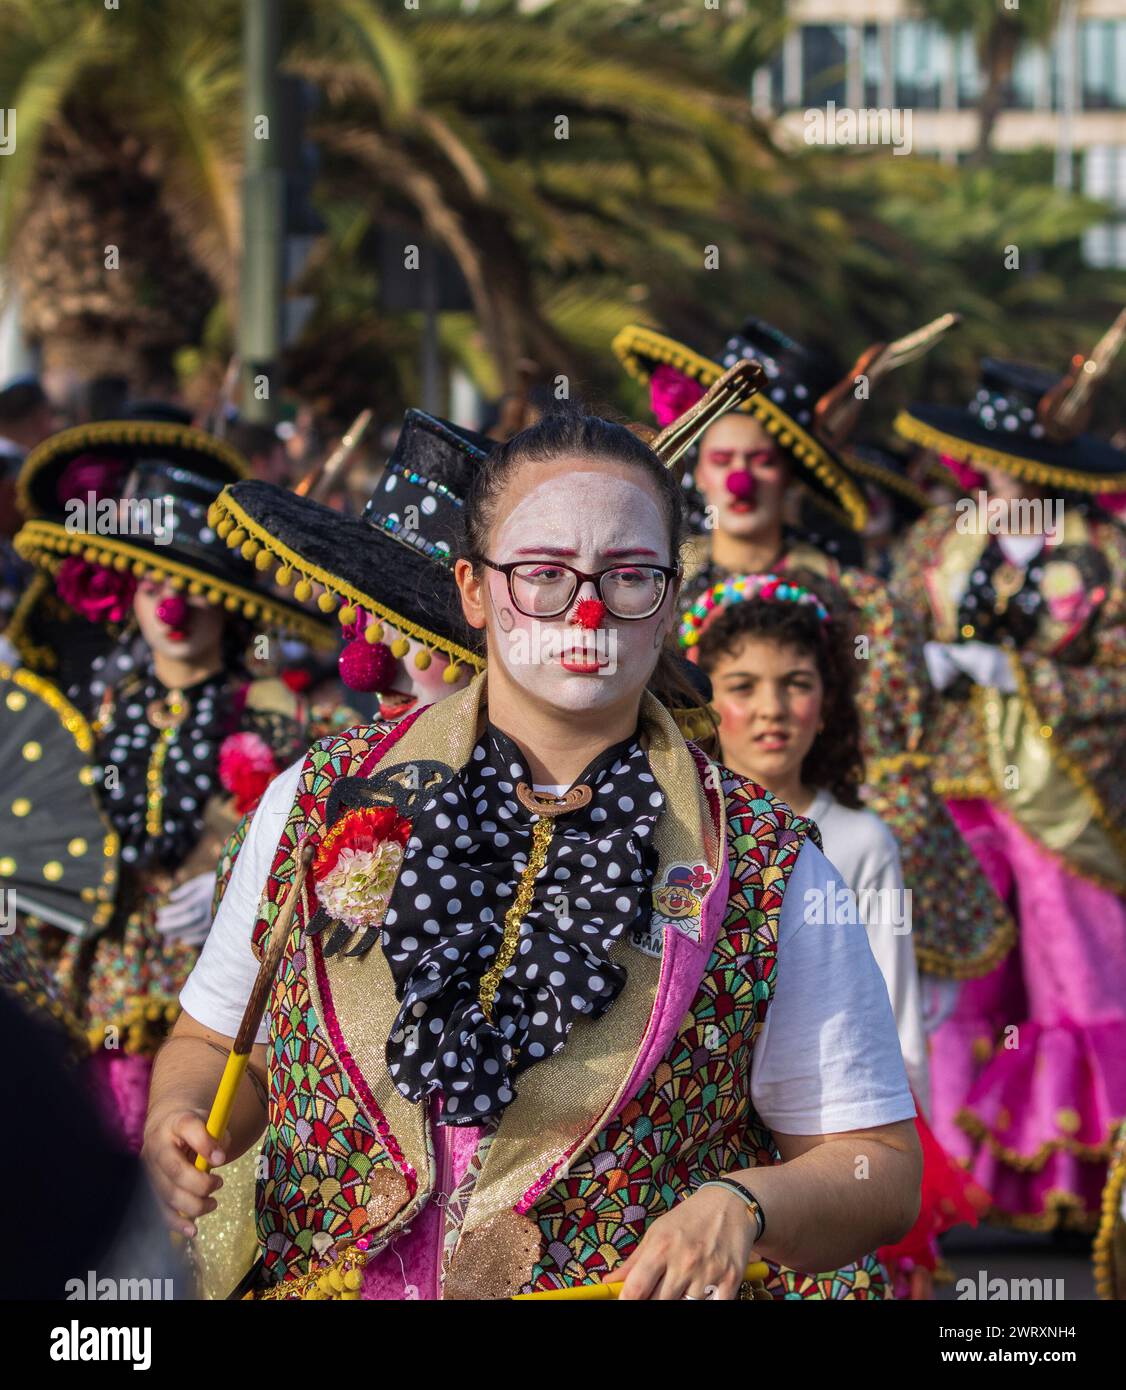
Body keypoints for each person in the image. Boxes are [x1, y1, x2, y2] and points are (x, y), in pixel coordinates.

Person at [144, 410, 920, 1301]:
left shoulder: (766, 862)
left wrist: (744, 1205)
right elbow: (210, 1040)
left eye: (628, 576)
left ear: (668, 601)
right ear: (473, 591)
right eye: (543, 574)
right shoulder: (316, 799)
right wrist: (179, 1119)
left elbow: (879, 1169)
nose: (586, 611)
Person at [615, 317, 1012, 994]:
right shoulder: (654, 597)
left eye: (762, 460)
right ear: (700, 476)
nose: (742, 480)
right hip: (685, 865)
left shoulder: (862, 604)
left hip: (828, 872)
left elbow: (893, 758)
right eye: (723, 461)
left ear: (791, 474)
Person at [10, 420, 335, 1149]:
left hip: (213, 981)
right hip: (98, 974)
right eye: (155, 584)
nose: (172, 608)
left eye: (192, 589)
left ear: (228, 604)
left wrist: (228, 884)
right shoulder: (87, 714)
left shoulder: (281, 725)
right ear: (126, 595)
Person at [681, 570, 990, 1295]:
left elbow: (898, 1010)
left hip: (834, 1138)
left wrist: (890, 1157)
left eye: (796, 683)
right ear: (705, 699)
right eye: (743, 685)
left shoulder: (860, 840)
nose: (772, 710)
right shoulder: (681, 832)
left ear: (828, 705)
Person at [893, 351, 1126, 1231]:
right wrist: (921, 677)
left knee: (1082, 973)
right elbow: (887, 656)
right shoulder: (931, 546)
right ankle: (953, 1177)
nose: (1000, 481)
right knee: (957, 979)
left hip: (1070, 796)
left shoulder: (1106, 555)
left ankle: (1095, 1183)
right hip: (951, 790)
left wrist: (1020, 678)